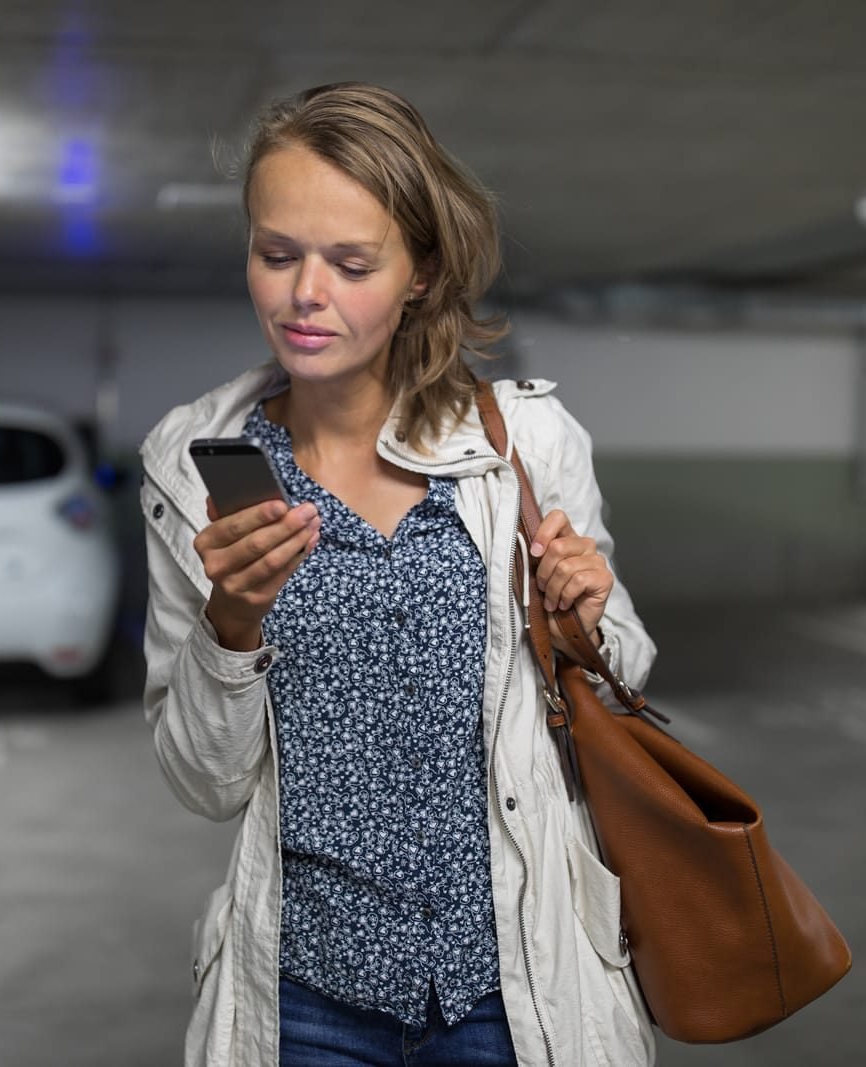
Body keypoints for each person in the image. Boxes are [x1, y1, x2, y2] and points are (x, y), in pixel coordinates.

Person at [140, 82, 657, 1066]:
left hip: (511, 985)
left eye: (350, 262)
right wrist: (231, 624)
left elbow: (624, 677)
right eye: (276, 251)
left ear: (419, 272)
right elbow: (201, 779)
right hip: (307, 998)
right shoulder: (187, 463)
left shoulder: (527, 446)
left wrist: (587, 613)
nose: (304, 294)